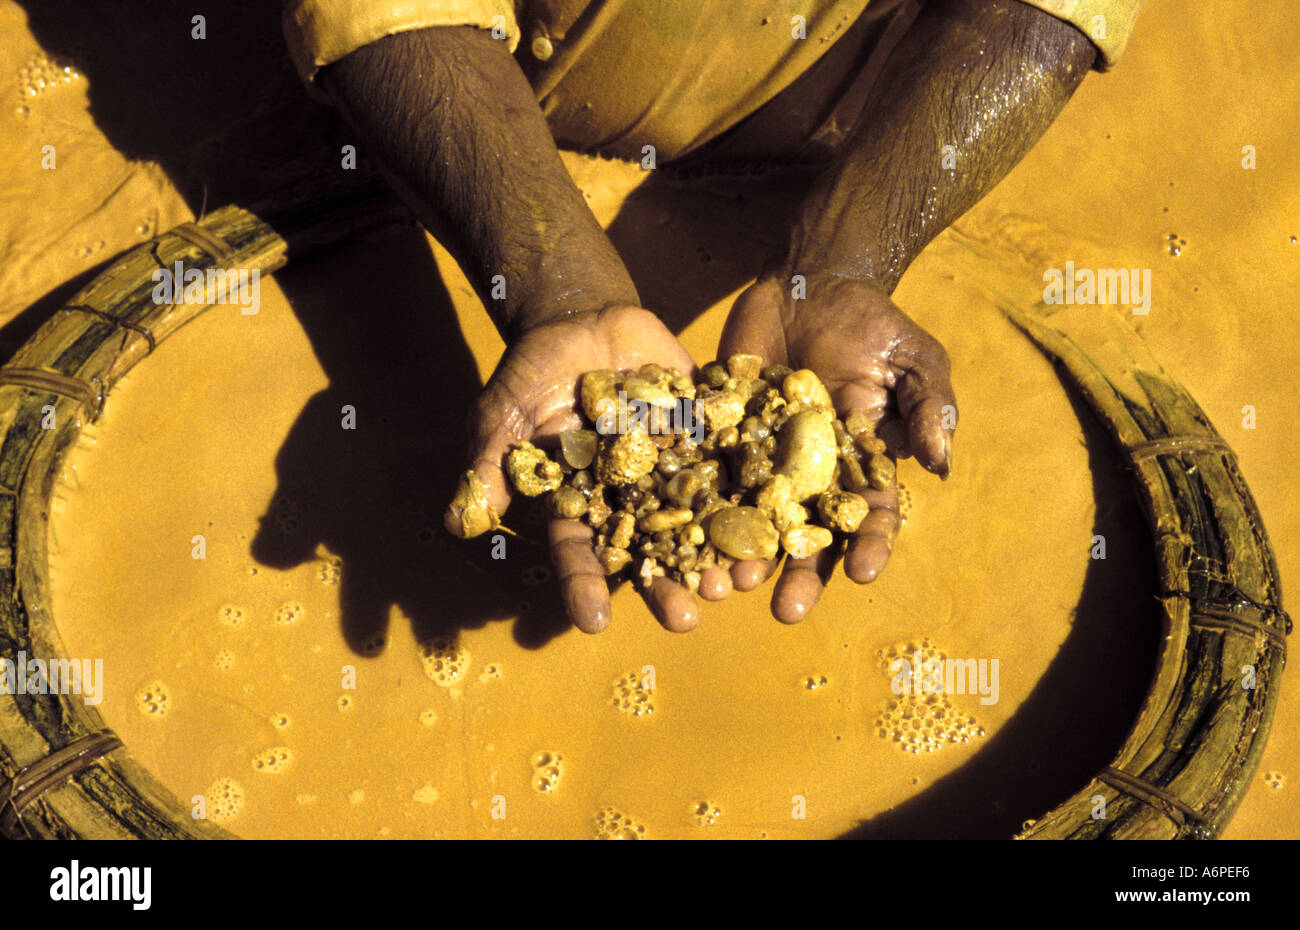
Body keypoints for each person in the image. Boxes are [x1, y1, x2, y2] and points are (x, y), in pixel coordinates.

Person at [280, 0, 1142, 633]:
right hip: (494, 102)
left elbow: (1047, 13)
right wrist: (559, 285)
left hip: (872, 119)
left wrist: (847, 256)